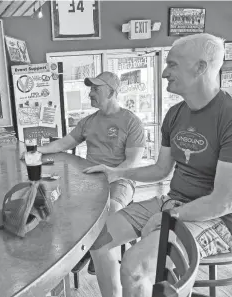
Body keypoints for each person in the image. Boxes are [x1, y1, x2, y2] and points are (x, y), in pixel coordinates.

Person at [85, 33, 232, 297]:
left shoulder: (229, 116)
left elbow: (223, 202)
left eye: (172, 64)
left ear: (200, 67)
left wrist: (168, 217)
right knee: (98, 241)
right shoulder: (175, 114)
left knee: (135, 265)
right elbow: (160, 170)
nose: (164, 73)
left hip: (218, 217)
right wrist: (115, 172)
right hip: (174, 202)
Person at [29, 71, 146, 272]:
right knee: (64, 206)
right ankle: (83, 249)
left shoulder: (131, 122)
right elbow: (65, 143)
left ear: (111, 92)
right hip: (92, 177)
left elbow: (133, 162)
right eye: (90, 89)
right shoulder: (88, 121)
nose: (90, 93)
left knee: (112, 208)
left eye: (95, 89)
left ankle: (94, 251)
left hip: (121, 179)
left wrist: (111, 175)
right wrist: (38, 150)